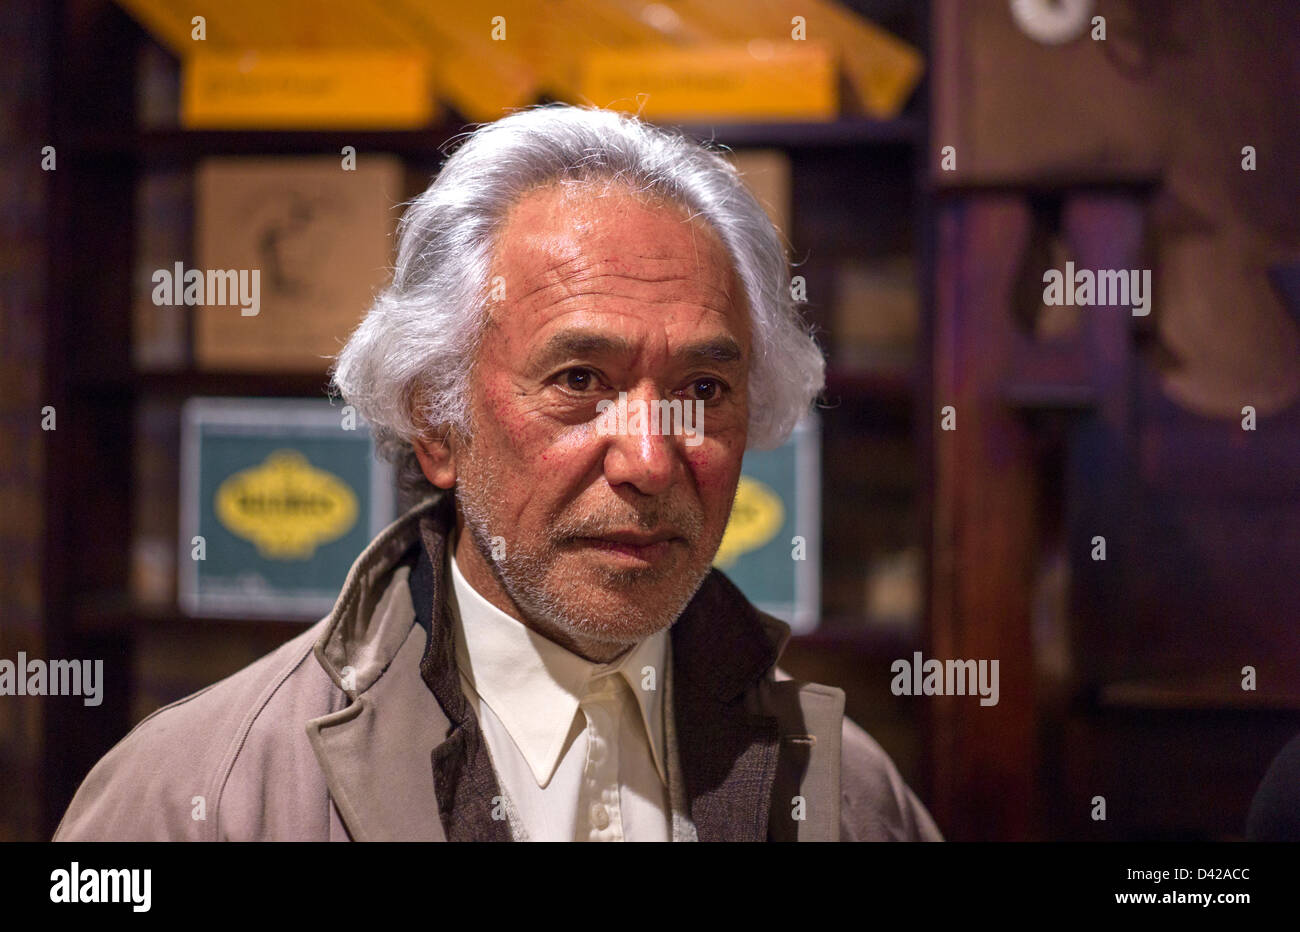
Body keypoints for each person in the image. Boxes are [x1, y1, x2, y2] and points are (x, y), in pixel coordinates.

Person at [55, 105, 941, 842]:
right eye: (580, 382)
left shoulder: (849, 796)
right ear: (436, 420)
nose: (648, 458)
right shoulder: (197, 798)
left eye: (703, 389)